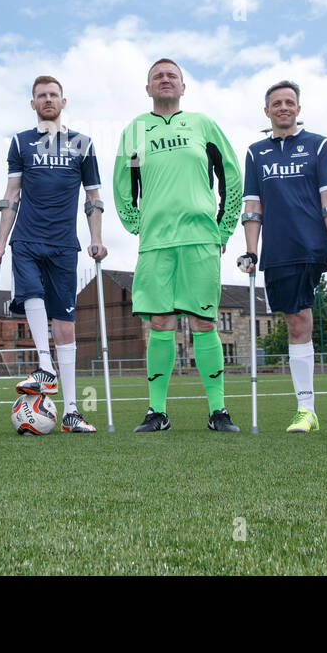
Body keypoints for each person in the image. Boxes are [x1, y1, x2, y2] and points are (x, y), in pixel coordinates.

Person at [113, 58, 243, 432]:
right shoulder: (135, 131)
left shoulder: (203, 125)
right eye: (158, 76)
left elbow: (231, 175)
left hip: (200, 237)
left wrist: (223, 228)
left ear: (183, 87)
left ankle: (218, 411)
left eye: (172, 76)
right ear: (148, 88)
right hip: (156, 242)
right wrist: (137, 223)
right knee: (159, 321)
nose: (165, 80)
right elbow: (124, 182)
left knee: (204, 321)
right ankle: (157, 412)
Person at [0, 76, 108, 432]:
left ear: (63, 102)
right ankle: (45, 366)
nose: (48, 99)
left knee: (65, 324)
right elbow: (11, 193)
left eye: (53, 95)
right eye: (41, 95)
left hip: (63, 243)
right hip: (25, 238)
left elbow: (94, 197)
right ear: (33, 103)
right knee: (31, 293)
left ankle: (71, 411)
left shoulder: (82, 144)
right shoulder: (21, 143)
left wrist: (96, 238)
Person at [238, 80, 327, 433]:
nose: (283, 107)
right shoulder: (256, 152)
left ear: (298, 108)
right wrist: (250, 251)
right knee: (294, 322)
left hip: (313, 245)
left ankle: (306, 408)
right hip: (279, 249)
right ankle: (306, 412)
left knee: (302, 318)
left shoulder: (319, 145)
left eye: (290, 102)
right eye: (277, 103)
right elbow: (252, 206)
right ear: (267, 110)